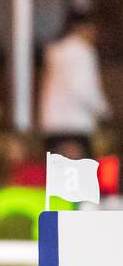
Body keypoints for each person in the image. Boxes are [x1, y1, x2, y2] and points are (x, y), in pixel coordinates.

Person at [39, 10, 112, 159]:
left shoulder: (55, 51)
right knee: (79, 177)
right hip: (77, 126)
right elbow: (84, 90)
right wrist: (104, 111)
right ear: (83, 28)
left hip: (52, 125)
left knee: (57, 176)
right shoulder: (83, 52)